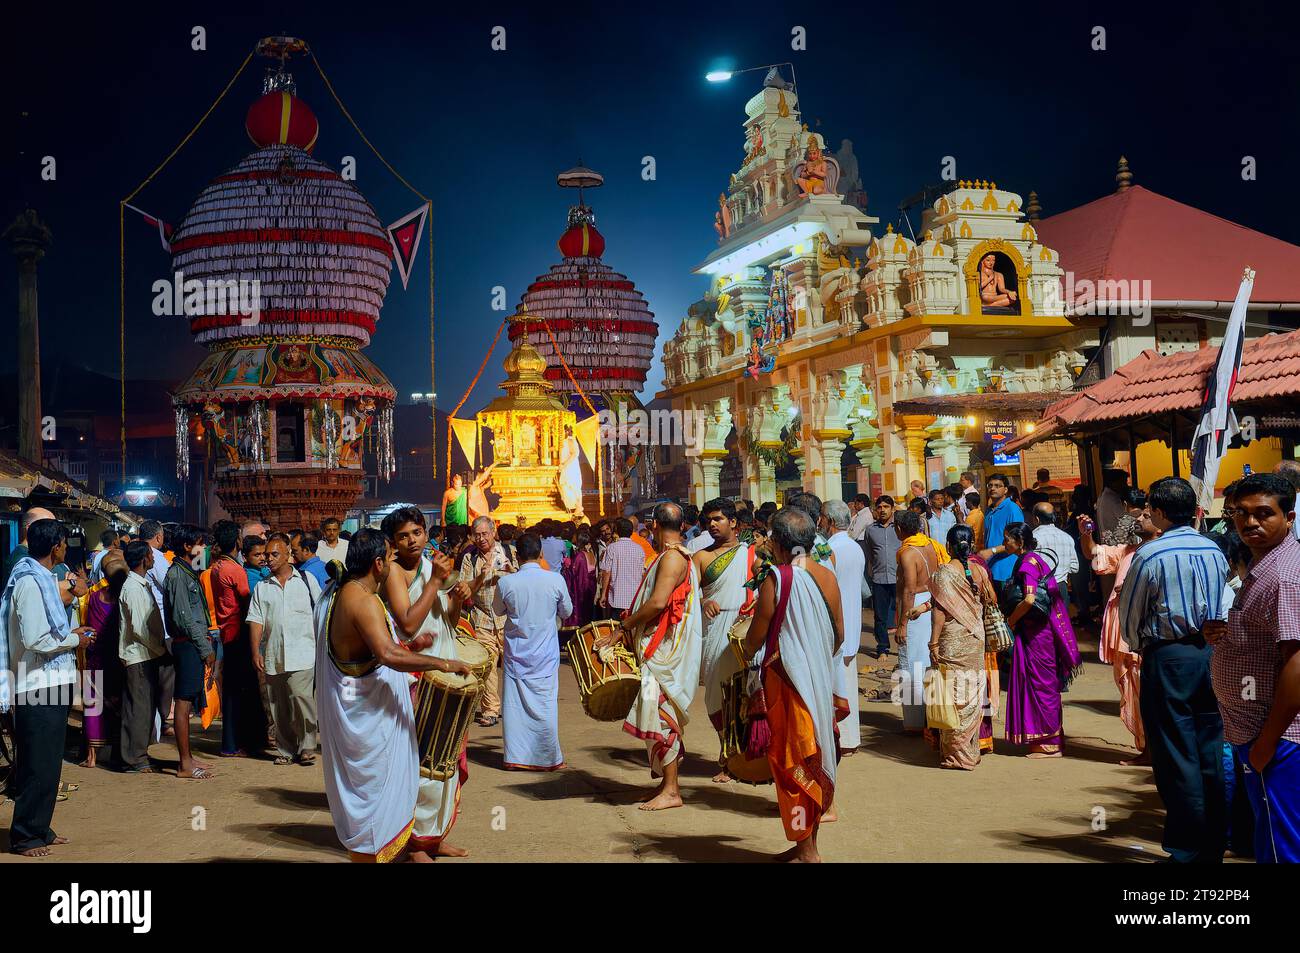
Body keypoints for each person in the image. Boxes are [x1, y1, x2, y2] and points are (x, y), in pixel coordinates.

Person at [316, 528, 469, 863]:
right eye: (389, 557)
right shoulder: (363, 600)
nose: (392, 563)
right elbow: (388, 656)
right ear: (377, 564)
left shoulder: (347, 592)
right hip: (368, 720)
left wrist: (412, 647)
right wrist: (444, 662)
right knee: (373, 798)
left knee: (374, 797)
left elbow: (368, 650)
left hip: (364, 710)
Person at [1121, 477, 1228, 863]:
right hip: (1210, 654)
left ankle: (1186, 848)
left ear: (1161, 512)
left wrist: (1138, 646)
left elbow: (1130, 617)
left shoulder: (1151, 555)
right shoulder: (1213, 549)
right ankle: (1212, 843)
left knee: (1175, 755)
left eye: (1151, 508)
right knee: (1209, 750)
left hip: (1168, 656)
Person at [1207, 473, 1300, 862]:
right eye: (1240, 515)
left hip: (1278, 740)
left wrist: (1266, 744)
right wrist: (1231, 633)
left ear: (1289, 517)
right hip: (1259, 733)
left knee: (1284, 847)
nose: (1250, 524)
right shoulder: (1266, 565)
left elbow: (1297, 660)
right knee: (1270, 839)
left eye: (1264, 513)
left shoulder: (1284, 576)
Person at [742, 507, 842, 862]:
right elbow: (839, 636)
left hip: (786, 684)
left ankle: (808, 853)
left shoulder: (778, 578)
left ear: (782, 545)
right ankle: (805, 844)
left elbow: (755, 638)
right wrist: (811, 657)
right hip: (818, 681)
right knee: (815, 759)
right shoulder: (826, 576)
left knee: (792, 766)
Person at [381, 508, 479, 859]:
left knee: (447, 759)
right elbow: (407, 625)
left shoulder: (432, 564)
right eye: (404, 536)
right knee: (421, 761)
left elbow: (448, 618)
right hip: (417, 675)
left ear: (425, 533)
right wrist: (437, 581)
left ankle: (434, 835)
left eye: (417, 533)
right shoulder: (394, 572)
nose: (412, 541)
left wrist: (459, 596)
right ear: (393, 542)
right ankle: (413, 843)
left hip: (446, 668)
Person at [598, 502, 702, 811]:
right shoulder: (673, 556)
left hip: (664, 653)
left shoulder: (672, 558)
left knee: (659, 714)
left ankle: (672, 790)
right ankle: (665, 783)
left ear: (653, 524)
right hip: (659, 649)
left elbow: (657, 603)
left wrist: (622, 628)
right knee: (653, 712)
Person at [0, 519, 94, 856]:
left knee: (49, 762)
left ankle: (40, 826)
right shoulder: (28, 582)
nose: (65, 549)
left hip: (52, 682)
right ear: (55, 547)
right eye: (64, 543)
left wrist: (72, 637)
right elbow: (36, 638)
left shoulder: (42, 580)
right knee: (36, 763)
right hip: (36, 684)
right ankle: (25, 835)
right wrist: (74, 639)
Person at [1080, 506, 1156, 763]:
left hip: (1144, 636)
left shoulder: (1158, 553)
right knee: (1133, 691)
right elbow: (1093, 552)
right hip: (1125, 635)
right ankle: (1146, 748)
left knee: (1147, 693)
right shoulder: (1127, 552)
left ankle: (1151, 751)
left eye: (1146, 516)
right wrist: (1085, 533)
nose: (1140, 519)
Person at [1000, 522, 1081, 758]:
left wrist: (1011, 621)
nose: (1005, 543)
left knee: (1041, 684)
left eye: (1008, 539)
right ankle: (1047, 739)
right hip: (1040, 630)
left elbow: (1028, 599)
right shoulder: (1037, 559)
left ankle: (1049, 743)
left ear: (1020, 541)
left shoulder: (1027, 565)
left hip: (1037, 634)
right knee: (1041, 683)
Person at [494, 532, 572, 771]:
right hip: (545, 654)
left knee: (515, 707)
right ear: (541, 554)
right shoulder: (555, 580)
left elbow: (497, 611)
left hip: (517, 654)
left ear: (516, 555)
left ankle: (516, 757)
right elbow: (566, 612)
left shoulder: (506, 583)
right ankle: (547, 757)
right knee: (546, 704)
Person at [692, 497, 755, 781]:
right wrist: (704, 600)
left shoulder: (752, 552)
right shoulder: (701, 557)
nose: (712, 525)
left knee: (746, 694)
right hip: (715, 628)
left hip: (746, 629)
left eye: (718, 519)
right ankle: (726, 751)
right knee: (716, 698)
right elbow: (688, 593)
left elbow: (769, 583)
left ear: (733, 522)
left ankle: (744, 758)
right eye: (709, 521)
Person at [248, 533, 321, 767]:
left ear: (288, 554)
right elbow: (256, 620)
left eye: (274, 554)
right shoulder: (262, 587)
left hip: (304, 653)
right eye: (267, 555)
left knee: (302, 701)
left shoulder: (307, 582)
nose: (268, 559)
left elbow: (319, 615)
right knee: (278, 707)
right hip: (274, 655)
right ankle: (286, 749)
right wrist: (255, 651)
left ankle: (307, 745)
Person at [927, 524, 996, 769]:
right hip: (975, 638)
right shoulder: (979, 571)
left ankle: (956, 756)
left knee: (952, 696)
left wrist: (933, 642)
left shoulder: (943, 572)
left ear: (948, 545)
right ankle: (970, 751)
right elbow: (990, 600)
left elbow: (939, 612)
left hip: (952, 640)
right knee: (972, 695)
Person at [163, 525, 219, 779]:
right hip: (188, 645)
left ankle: (188, 757)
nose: (204, 549)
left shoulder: (188, 573)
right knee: (183, 705)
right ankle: (185, 764)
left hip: (191, 643)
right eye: (200, 544)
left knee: (188, 704)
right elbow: (185, 618)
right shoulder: (178, 575)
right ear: (187, 547)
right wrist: (205, 648)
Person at [209, 521, 265, 758]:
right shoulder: (234, 570)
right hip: (238, 632)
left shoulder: (217, 566)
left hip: (227, 632)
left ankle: (231, 743)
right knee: (243, 691)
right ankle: (241, 743)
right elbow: (247, 601)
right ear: (238, 543)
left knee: (233, 691)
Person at [459, 515, 517, 727]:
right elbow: (464, 590)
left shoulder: (509, 552)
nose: (481, 538)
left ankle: (514, 708)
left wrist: (512, 571)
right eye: (477, 535)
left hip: (508, 619)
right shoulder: (470, 559)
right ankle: (491, 710)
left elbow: (522, 582)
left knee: (513, 665)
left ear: (494, 532)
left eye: (485, 533)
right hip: (481, 618)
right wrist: (480, 577)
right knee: (489, 667)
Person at [116, 542, 166, 774]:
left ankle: (138, 754)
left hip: (146, 653)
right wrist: (159, 648)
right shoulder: (134, 589)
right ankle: (134, 758)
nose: (154, 558)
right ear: (144, 559)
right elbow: (139, 628)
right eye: (150, 555)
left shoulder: (140, 585)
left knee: (144, 707)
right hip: (139, 655)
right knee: (139, 708)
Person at [896, 509, 945, 733]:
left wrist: (902, 624)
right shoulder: (931, 545)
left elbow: (909, 590)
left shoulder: (908, 553)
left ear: (899, 529)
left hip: (916, 607)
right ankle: (931, 717)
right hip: (932, 601)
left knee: (911, 663)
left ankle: (915, 723)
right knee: (927, 660)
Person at [822, 500, 864, 754]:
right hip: (851, 622)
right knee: (846, 680)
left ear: (828, 520)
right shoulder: (854, 547)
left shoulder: (828, 549)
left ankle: (844, 740)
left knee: (839, 684)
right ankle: (849, 738)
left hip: (836, 624)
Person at [80, 549, 126, 768]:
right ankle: (117, 752)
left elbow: (87, 625)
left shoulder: (93, 597)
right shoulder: (124, 599)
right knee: (118, 706)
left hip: (95, 657)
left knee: (93, 705)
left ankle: (91, 756)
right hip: (117, 659)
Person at [863, 495, 900, 658]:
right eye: (880, 507)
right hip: (879, 578)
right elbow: (870, 554)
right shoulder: (870, 530)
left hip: (899, 578)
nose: (883, 510)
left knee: (904, 614)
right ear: (876, 510)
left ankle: (905, 648)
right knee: (880, 616)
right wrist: (872, 572)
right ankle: (883, 648)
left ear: (892, 509)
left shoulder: (899, 528)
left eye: (886, 506)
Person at [977, 473, 1025, 590]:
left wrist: (992, 551)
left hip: (1007, 570)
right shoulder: (989, 510)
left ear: (1005, 490)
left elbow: (1018, 541)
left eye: (997, 486)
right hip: (990, 568)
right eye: (990, 485)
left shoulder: (1012, 509)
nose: (993, 488)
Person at [597, 517, 645, 621]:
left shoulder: (612, 548)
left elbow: (606, 572)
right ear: (632, 531)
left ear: (617, 531)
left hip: (617, 598)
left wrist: (603, 594)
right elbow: (642, 573)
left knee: (617, 630)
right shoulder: (639, 549)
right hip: (635, 598)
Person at [1030, 501, 1078, 594]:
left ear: (1037, 519)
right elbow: (1074, 567)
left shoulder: (1032, 538)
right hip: (1061, 588)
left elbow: (1030, 566)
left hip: (1040, 589)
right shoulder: (1067, 537)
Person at [560, 526, 598, 631]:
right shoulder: (591, 554)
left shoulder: (580, 556)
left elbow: (574, 573)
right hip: (591, 588)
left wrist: (567, 567)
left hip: (582, 588)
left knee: (582, 614)